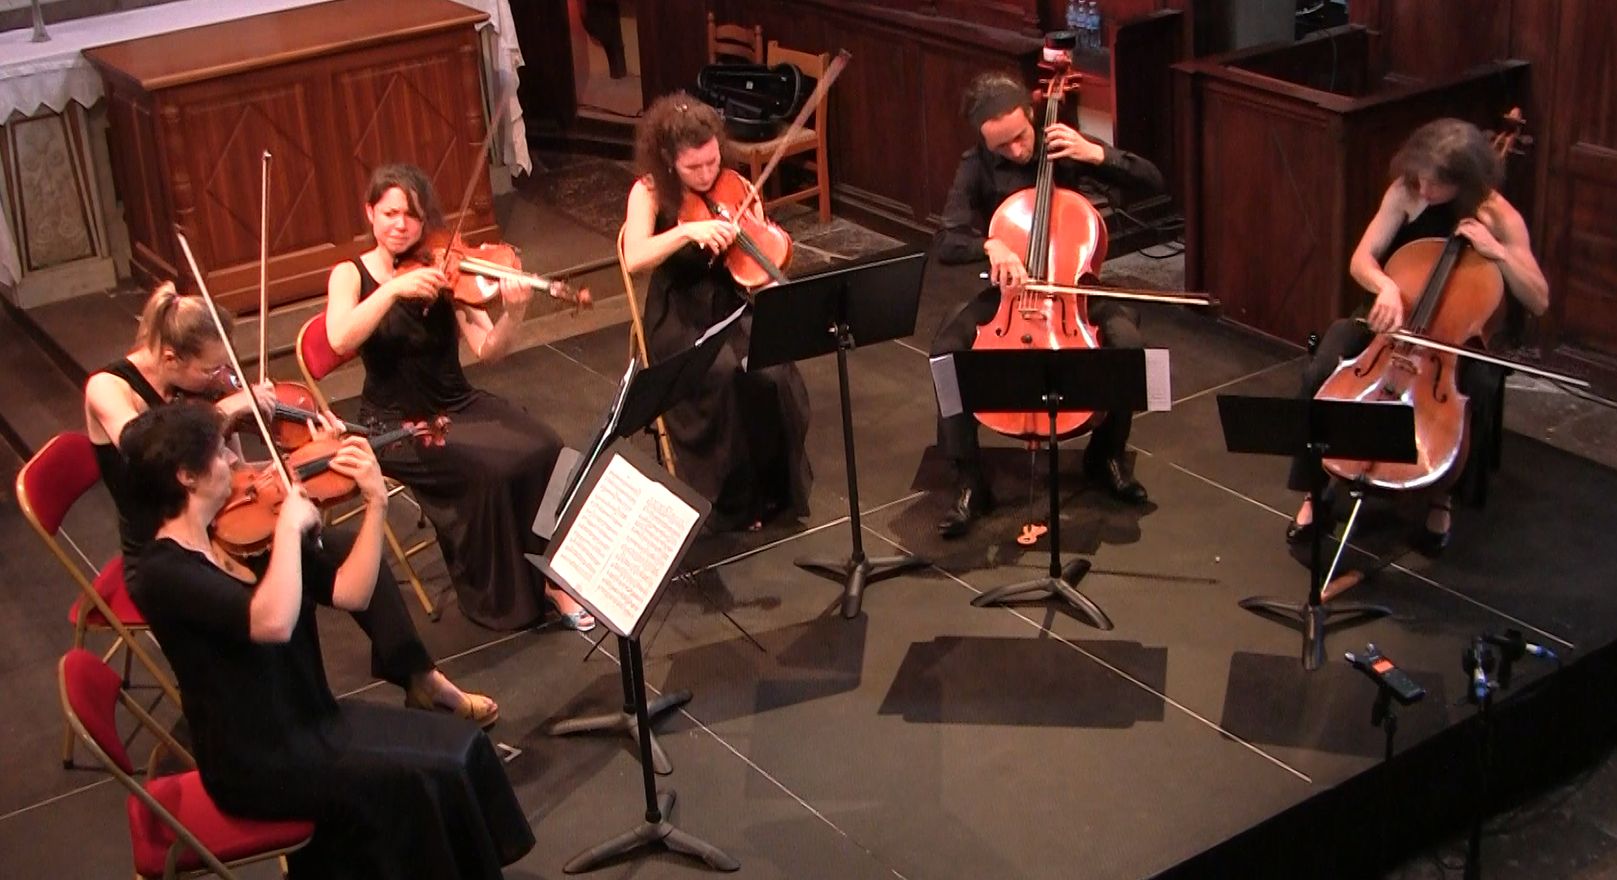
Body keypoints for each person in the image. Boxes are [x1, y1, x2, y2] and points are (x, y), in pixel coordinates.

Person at [124, 402, 534, 878]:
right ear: (186, 477)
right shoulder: (162, 572)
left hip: (315, 716)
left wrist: (376, 503)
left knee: (461, 745)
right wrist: (287, 533)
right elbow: (271, 621)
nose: (237, 463)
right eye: (220, 455)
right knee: (418, 783)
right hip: (261, 759)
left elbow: (351, 591)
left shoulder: (242, 538)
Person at [83, 283, 498, 727]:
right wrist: (229, 408)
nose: (221, 376)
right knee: (291, 575)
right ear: (170, 359)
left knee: (351, 551)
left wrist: (309, 458)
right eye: (210, 370)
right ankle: (295, 715)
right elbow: (149, 448)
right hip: (169, 549)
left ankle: (420, 678)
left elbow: (234, 471)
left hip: (224, 519)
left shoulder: (199, 390)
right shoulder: (108, 388)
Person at [324, 163, 594, 631]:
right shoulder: (349, 274)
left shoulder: (443, 265)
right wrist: (392, 290)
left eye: (411, 216)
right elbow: (340, 339)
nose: (400, 225)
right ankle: (507, 595)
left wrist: (514, 314)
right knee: (490, 472)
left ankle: (552, 574)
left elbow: (489, 351)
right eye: (389, 213)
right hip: (396, 423)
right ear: (370, 213)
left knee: (548, 446)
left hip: (456, 401)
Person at [1285, 118, 1549, 553]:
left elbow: (1538, 299)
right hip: (1391, 320)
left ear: (1464, 181)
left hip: (1454, 337)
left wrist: (1498, 252)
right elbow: (1361, 259)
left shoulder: (1500, 217)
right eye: (1420, 176)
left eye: (1437, 184)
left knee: (1479, 385)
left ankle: (1442, 496)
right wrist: (1385, 286)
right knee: (1321, 368)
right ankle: (1316, 488)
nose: (1424, 190)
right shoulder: (1405, 193)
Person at [931, 71, 1166, 538]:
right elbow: (946, 238)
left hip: (1073, 290)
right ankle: (969, 479)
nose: (1017, 151)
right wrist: (991, 247)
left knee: (1127, 342)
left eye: (1020, 137)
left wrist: (1096, 153)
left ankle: (1107, 455)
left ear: (1031, 115)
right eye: (1003, 147)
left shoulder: (1065, 145)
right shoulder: (975, 165)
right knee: (946, 349)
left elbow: (1154, 182)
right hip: (1010, 297)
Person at [620, 92, 812, 531]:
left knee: (772, 371)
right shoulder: (649, 191)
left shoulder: (733, 185)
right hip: (681, 312)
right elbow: (635, 256)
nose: (707, 174)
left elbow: (754, 263)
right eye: (694, 167)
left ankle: (774, 492)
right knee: (722, 374)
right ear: (669, 160)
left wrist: (763, 244)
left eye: (711, 161)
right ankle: (731, 503)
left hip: (730, 300)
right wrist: (688, 231)